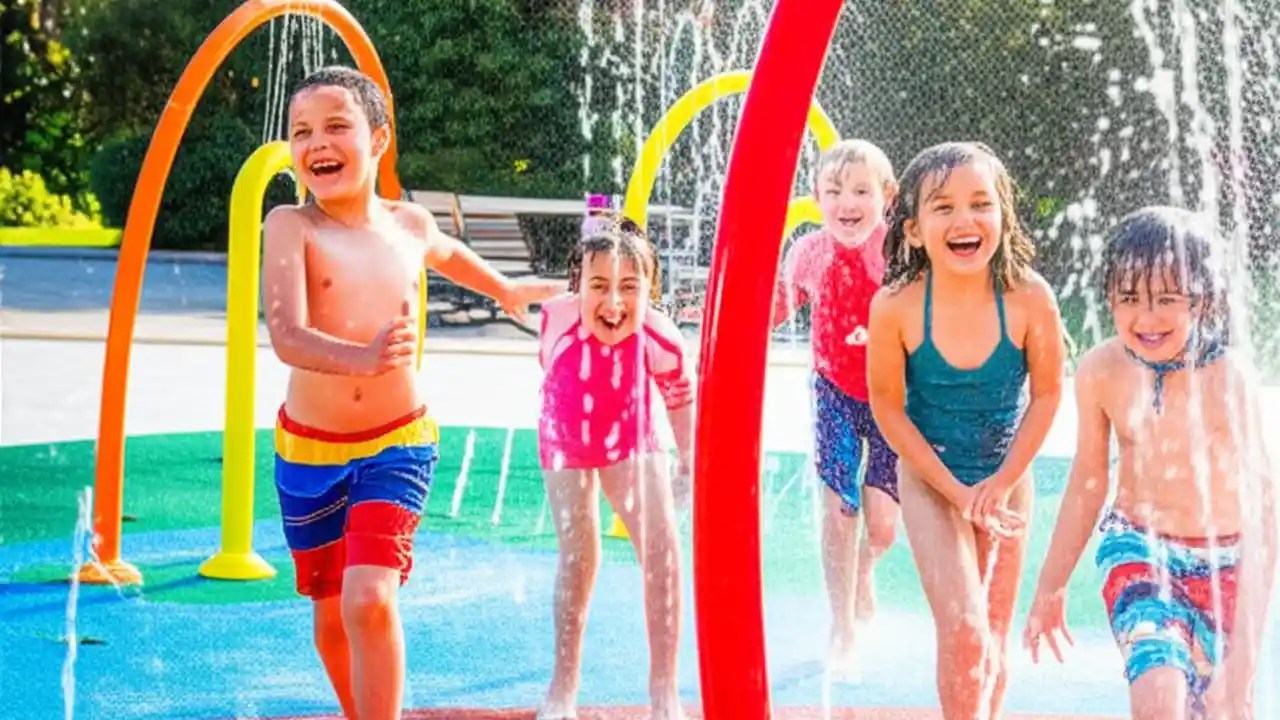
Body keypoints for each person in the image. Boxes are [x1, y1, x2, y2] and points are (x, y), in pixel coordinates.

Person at [261, 65, 561, 720]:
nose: (318, 143)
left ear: (379, 137)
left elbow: (449, 253)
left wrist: (506, 290)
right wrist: (360, 358)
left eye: (337, 126)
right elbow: (286, 334)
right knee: (331, 615)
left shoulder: (409, 223)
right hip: (310, 454)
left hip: (397, 443)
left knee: (368, 597)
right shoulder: (292, 225)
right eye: (302, 131)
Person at [1024, 206, 1277, 720]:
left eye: (1167, 299)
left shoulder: (1230, 379)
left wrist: (1245, 662)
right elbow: (1087, 484)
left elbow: (1266, 514)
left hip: (1225, 559)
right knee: (1160, 698)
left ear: (1202, 300)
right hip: (1138, 547)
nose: (1146, 318)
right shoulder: (1101, 370)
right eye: (1129, 299)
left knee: (1221, 705)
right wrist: (1051, 583)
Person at [866, 141, 1066, 718]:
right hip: (932, 480)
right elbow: (888, 408)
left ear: (1003, 215)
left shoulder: (1030, 298)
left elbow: (1049, 394)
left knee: (994, 635)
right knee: (964, 629)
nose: (964, 220)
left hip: (1006, 475)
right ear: (912, 230)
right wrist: (958, 493)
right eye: (943, 207)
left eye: (981, 203)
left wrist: (1000, 483)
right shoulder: (897, 307)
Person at [536, 214, 694, 720]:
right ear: (577, 285)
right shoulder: (556, 318)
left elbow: (680, 397)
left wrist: (689, 462)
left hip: (633, 437)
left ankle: (664, 688)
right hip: (565, 438)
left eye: (630, 287)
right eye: (598, 286)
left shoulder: (660, 336)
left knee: (663, 552)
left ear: (650, 289)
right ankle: (563, 687)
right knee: (578, 556)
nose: (613, 303)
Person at [771, 138, 900, 678]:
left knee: (883, 528)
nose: (848, 202)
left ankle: (863, 571)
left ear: (887, 196)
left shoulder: (899, 251)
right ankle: (840, 625)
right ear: (816, 197)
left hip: (894, 395)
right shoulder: (807, 253)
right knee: (839, 508)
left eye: (861, 190)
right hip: (833, 394)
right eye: (834, 190)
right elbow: (777, 307)